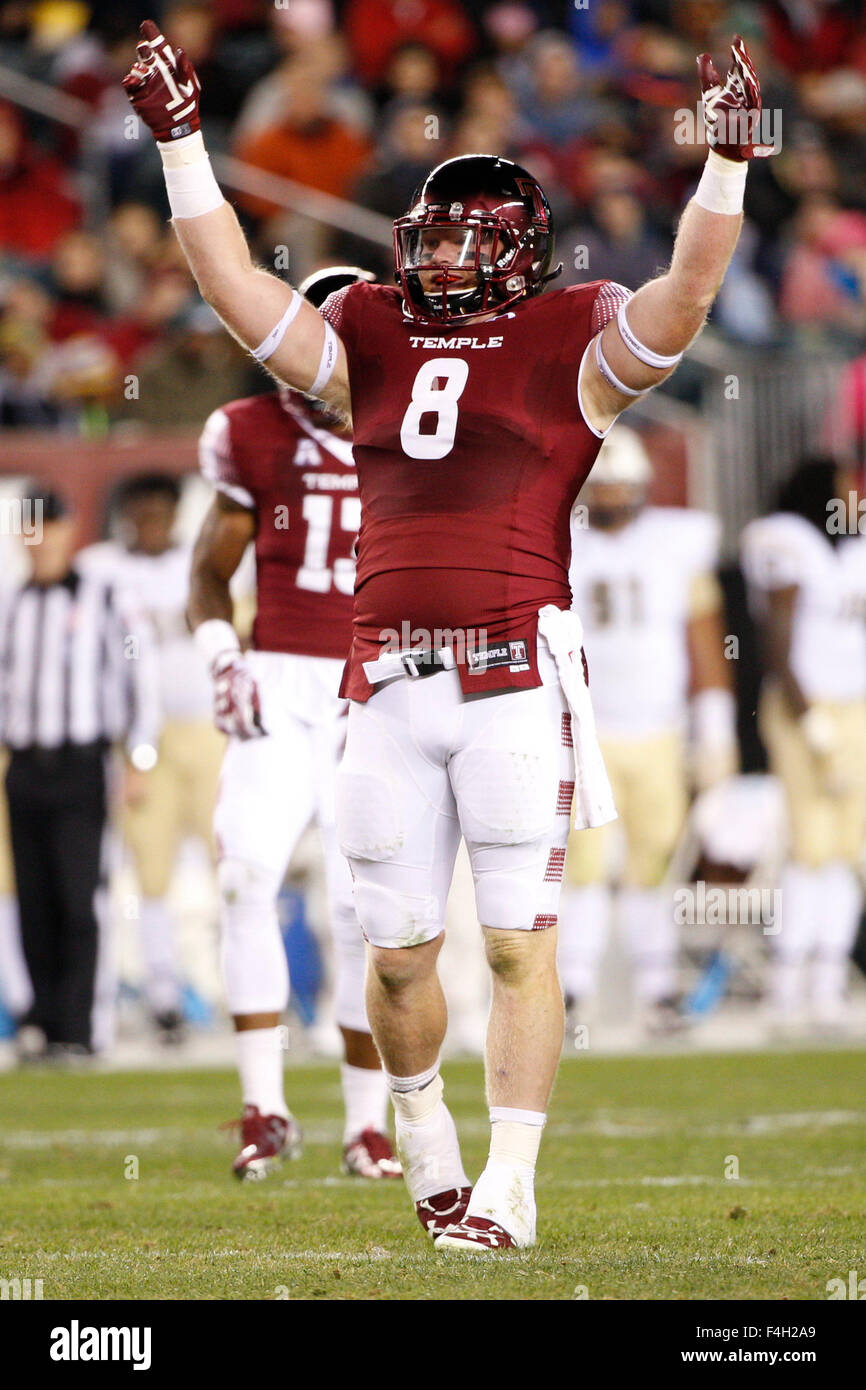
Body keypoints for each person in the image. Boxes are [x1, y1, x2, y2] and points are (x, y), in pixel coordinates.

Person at [124, 22, 772, 1250]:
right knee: (399, 958)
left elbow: (685, 292)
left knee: (521, 948)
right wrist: (180, 145)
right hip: (383, 686)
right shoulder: (369, 329)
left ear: (521, 251)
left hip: (513, 679)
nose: (442, 251)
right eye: (433, 230)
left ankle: (510, 1190)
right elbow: (235, 287)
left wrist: (727, 164)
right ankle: (424, 1153)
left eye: (472, 232)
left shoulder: (569, 337)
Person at [190, 265, 401, 1181]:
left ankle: (367, 1125)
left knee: (365, 911)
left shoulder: (416, 428)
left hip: (379, 682)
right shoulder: (247, 432)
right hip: (279, 677)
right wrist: (221, 656)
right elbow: (208, 571)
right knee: (244, 879)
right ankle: (265, 1107)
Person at [561, 426, 738, 1036]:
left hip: (658, 730)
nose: (610, 493)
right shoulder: (565, 543)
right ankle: (572, 991)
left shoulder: (675, 544)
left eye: (619, 482)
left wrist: (715, 728)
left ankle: (658, 989)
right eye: (601, 482)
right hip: (587, 729)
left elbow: (703, 636)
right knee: (582, 866)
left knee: (653, 865)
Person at [0, 488, 160, 1061]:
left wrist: (139, 756)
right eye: (28, 528)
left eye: (47, 527)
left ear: (69, 531)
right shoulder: (11, 603)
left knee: (78, 894)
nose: (37, 539)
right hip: (24, 765)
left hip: (82, 762)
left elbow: (140, 679)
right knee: (33, 897)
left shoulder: (107, 597)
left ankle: (79, 1026)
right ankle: (43, 1022)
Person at [79, 472, 225, 1042]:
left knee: (231, 859)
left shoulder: (205, 561)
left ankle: (238, 989)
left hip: (211, 731)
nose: (150, 522)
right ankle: (164, 994)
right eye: (139, 511)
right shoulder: (101, 570)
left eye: (159, 510)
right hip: (143, 741)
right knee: (151, 868)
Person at [741, 457, 866, 1034]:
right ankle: (788, 984)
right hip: (804, 708)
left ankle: (827, 978)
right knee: (807, 847)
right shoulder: (787, 539)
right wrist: (810, 716)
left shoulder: (853, 549)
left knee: (847, 851)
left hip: (856, 707)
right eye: (843, 486)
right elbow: (777, 635)